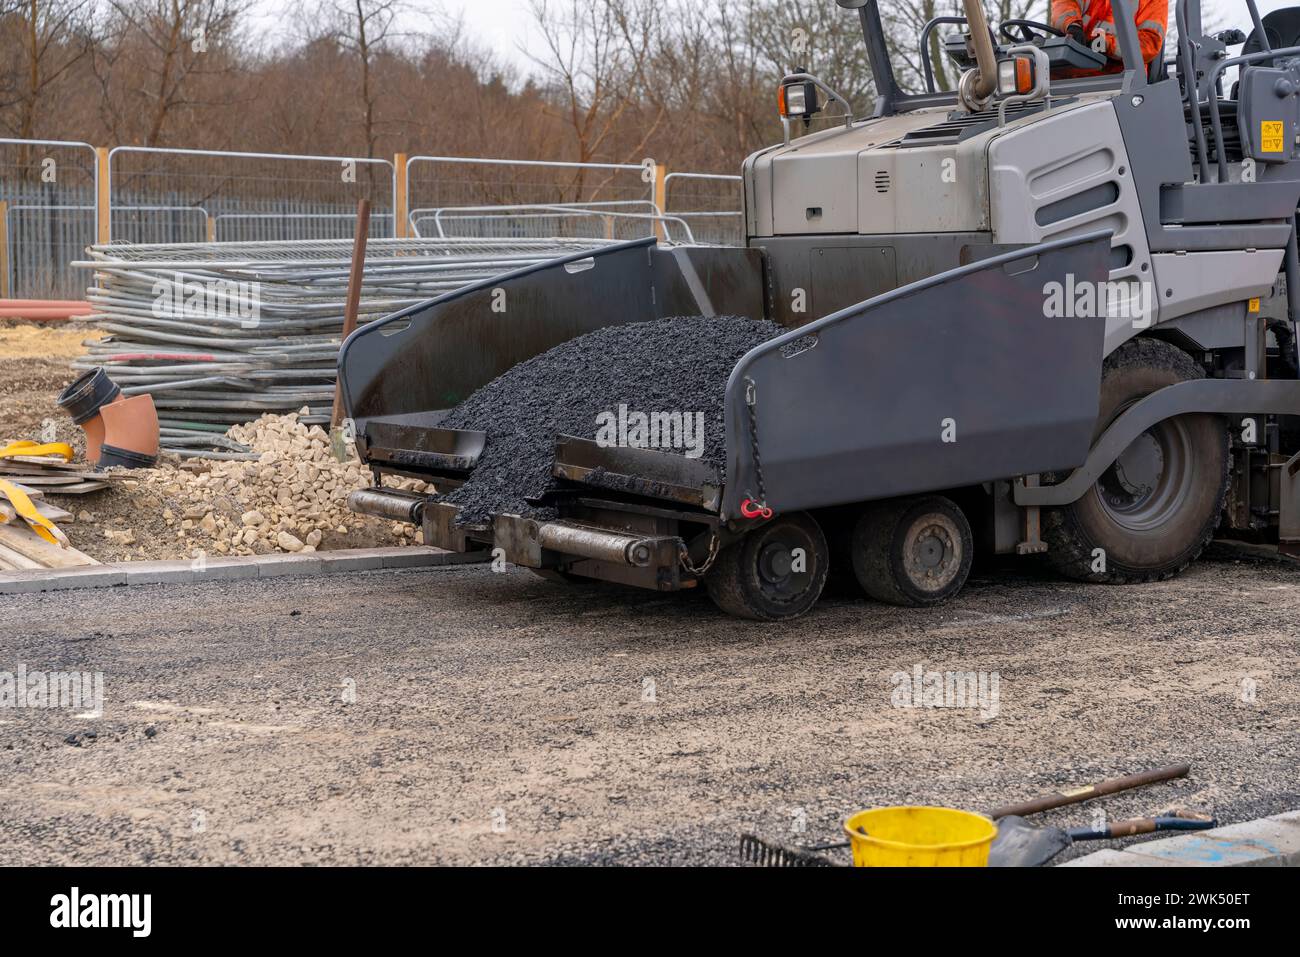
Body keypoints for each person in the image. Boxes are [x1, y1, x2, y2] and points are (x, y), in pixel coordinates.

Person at [1050, 0, 1168, 74]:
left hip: (1119, 80)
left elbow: (1149, 42)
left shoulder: (1154, 2)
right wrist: (1072, 25)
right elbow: (1065, 4)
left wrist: (1107, 44)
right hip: (1067, 72)